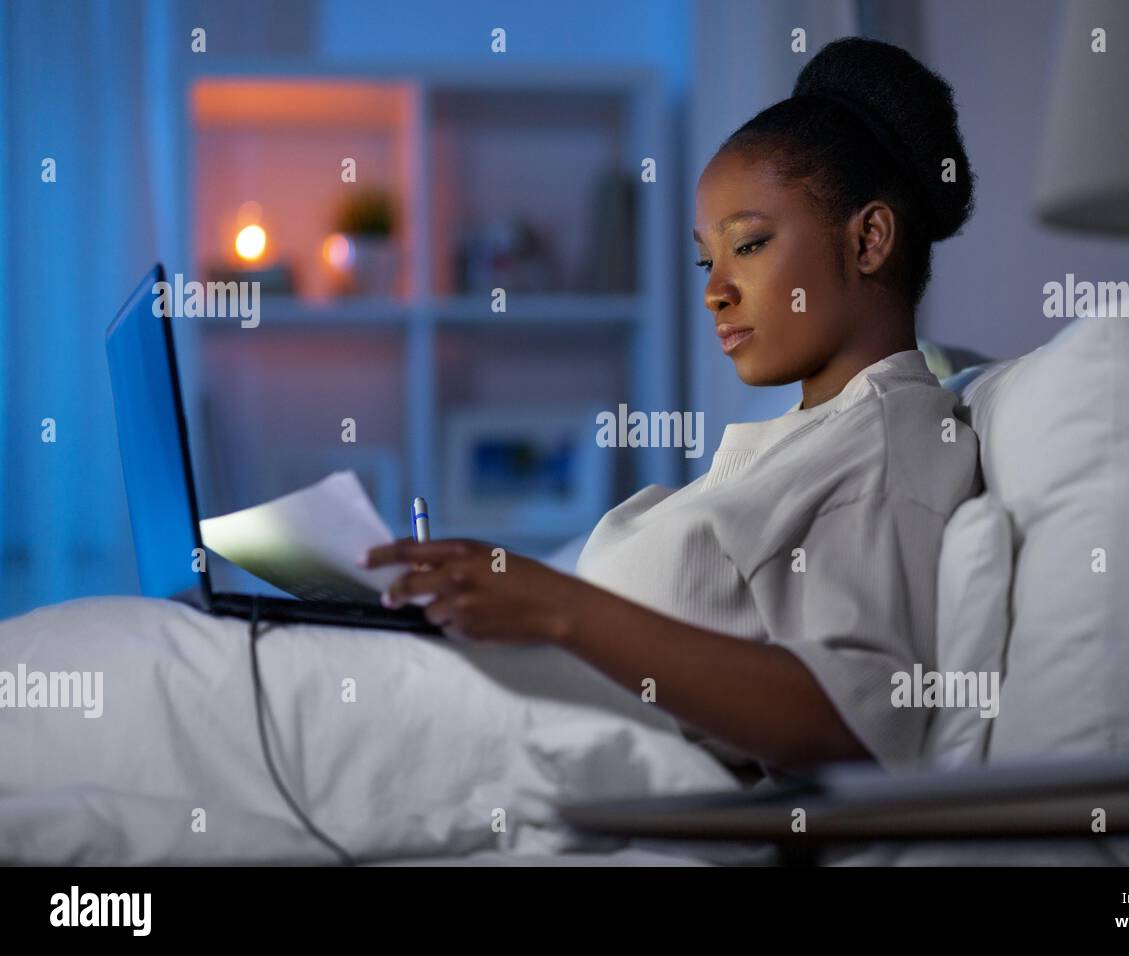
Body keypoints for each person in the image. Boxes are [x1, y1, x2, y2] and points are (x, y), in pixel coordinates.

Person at [363, 37, 980, 783]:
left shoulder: (887, 440)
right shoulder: (809, 439)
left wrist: (558, 609)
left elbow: (859, 723)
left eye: (748, 245)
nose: (714, 290)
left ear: (870, 239)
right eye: (705, 260)